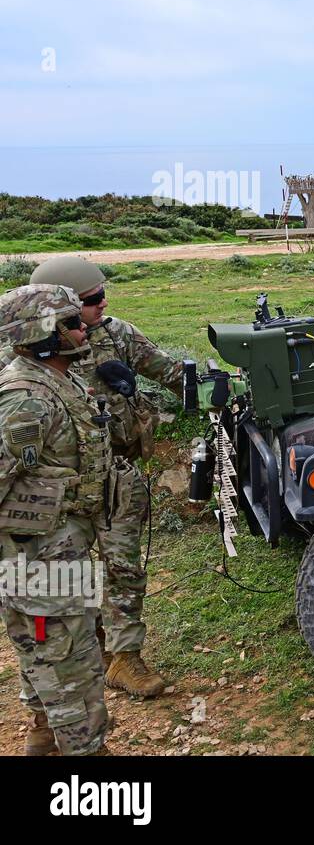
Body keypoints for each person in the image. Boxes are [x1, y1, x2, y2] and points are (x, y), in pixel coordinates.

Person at [22, 256, 184, 697]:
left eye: (101, 295)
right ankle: (88, 650)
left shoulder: (117, 334)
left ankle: (126, 659)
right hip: (60, 490)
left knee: (124, 569)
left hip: (115, 477)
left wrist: (215, 391)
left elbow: (171, 374)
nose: (103, 303)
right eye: (91, 300)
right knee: (65, 575)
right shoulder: (20, 359)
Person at [0, 284, 112, 755]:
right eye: (70, 322)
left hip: (61, 550)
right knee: (72, 666)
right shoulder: (25, 402)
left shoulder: (57, 379)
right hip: (41, 562)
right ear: (44, 334)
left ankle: (43, 736)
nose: (83, 326)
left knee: (49, 653)